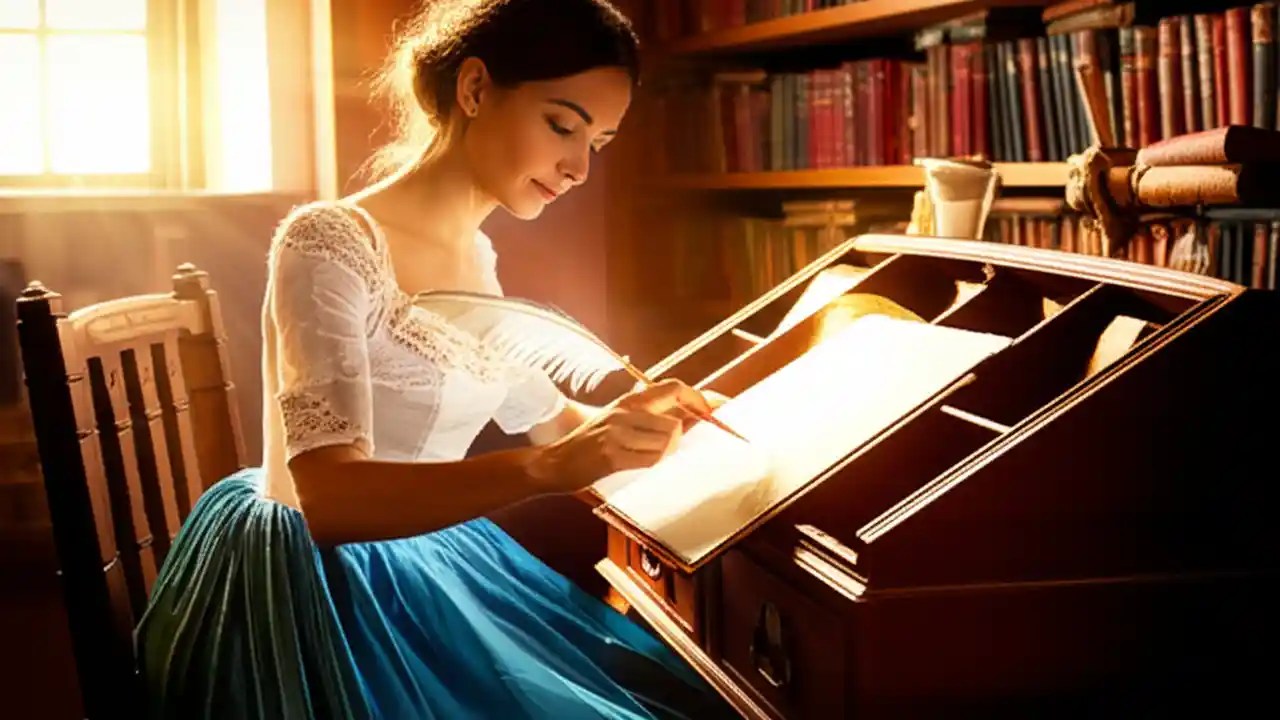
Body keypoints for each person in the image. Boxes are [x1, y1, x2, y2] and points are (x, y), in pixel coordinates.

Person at [133, 1, 739, 718]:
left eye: (598, 143)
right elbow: (331, 500)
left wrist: (642, 425)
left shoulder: (473, 255)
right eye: (562, 125)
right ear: (476, 89)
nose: (578, 167)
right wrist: (548, 469)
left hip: (427, 561)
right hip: (319, 588)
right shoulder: (327, 243)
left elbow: (553, 421)